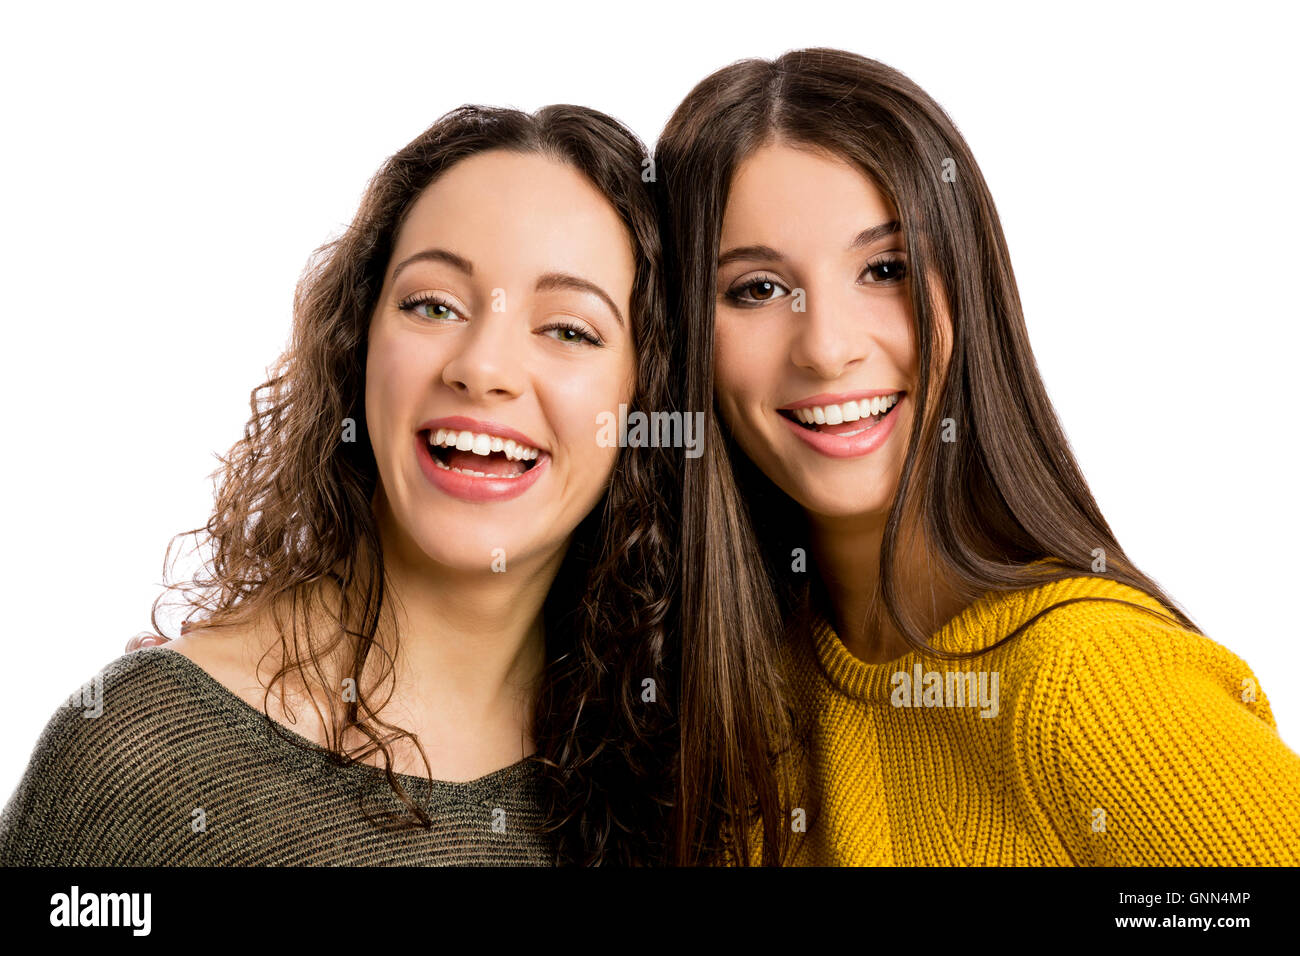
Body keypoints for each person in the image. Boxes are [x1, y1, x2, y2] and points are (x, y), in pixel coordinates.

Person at [655, 48, 1300, 865]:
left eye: (883, 269)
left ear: (970, 288)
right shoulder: (733, 695)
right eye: (755, 289)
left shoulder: (1090, 685)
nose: (825, 348)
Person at [0, 104, 679, 866]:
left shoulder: (678, 771)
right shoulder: (136, 755)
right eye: (433, 305)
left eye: (567, 329)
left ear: (646, 400)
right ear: (359, 341)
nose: (482, 366)